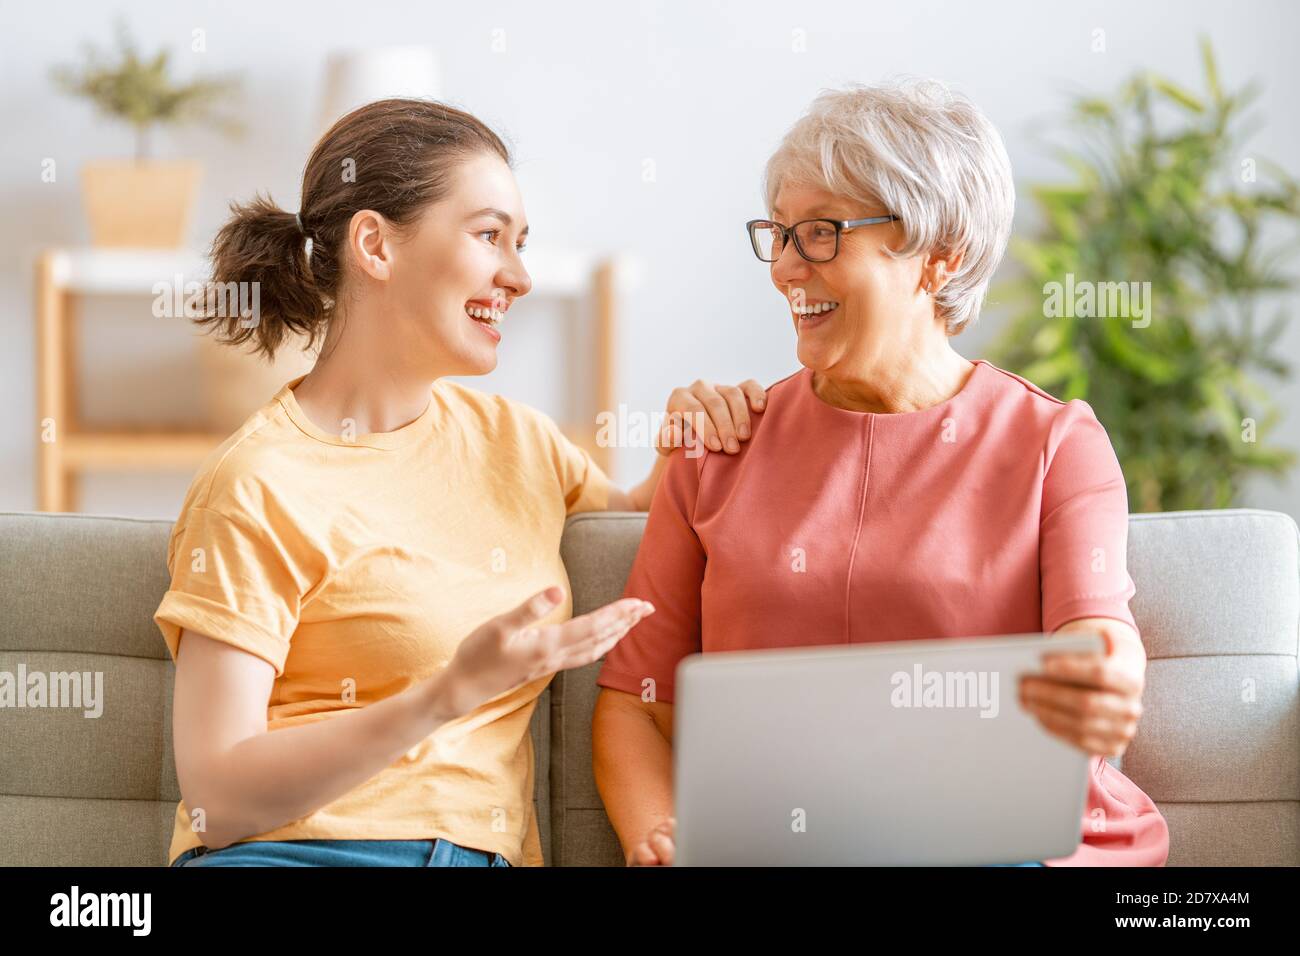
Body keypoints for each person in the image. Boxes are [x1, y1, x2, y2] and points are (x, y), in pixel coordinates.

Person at [156, 98, 763, 867]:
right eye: (488, 236)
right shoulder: (257, 484)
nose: (519, 275)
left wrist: (691, 431)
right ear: (375, 244)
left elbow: (643, 513)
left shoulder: (519, 442)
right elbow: (219, 798)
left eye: (521, 243)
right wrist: (446, 694)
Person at [591, 79, 1170, 867]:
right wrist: (659, 836)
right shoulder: (719, 446)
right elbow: (636, 700)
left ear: (940, 256)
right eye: (781, 233)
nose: (787, 269)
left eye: (823, 233)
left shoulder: (1052, 443)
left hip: (1008, 851)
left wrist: (1106, 680)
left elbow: (1096, 635)